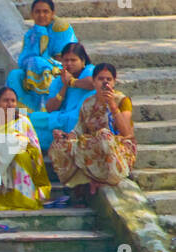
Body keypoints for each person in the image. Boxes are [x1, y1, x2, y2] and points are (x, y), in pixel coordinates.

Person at [48, 63, 136, 205]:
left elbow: (126, 133)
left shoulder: (122, 101)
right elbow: (78, 131)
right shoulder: (88, 103)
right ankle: (87, 179)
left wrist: (113, 106)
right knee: (59, 145)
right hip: (92, 149)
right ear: (94, 82)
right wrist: (64, 136)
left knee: (104, 137)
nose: (105, 82)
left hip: (118, 149)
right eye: (101, 79)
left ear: (114, 82)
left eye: (109, 79)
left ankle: (102, 177)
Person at [6, 0, 77, 112]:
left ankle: (44, 109)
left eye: (46, 12)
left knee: (37, 63)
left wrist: (41, 63)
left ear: (52, 13)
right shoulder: (32, 33)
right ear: (32, 14)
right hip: (35, 69)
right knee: (15, 75)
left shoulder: (60, 27)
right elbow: (24, 59)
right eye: (37, 12)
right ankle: (22, 114)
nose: (41, 15)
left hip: (62, 69)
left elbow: (65, 59)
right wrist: (40, 33)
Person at [28, 42, 95, 145]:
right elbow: (50, 108)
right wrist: (64, 86)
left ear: (83, 61)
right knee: (31, 121)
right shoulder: (58, 81)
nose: (69, 63)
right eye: (65, 60)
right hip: (60, 121)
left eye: (73, 60)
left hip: (81, 121)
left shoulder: (90, 71)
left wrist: (72, 82)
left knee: (33, 127)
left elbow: (93, 83)